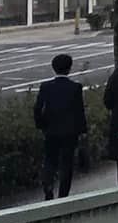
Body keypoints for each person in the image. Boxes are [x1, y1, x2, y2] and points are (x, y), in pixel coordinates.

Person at [33, 54, 86, 200]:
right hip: (70, 131)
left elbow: (38, 108)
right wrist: (82, 131)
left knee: (50, 160)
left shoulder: (46, 87)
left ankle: (48, 186)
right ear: (69, 68)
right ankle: (63, 194)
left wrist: (41, 125)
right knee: (66, 163)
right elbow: (79, 111)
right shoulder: (75, 87)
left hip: (51, 130)